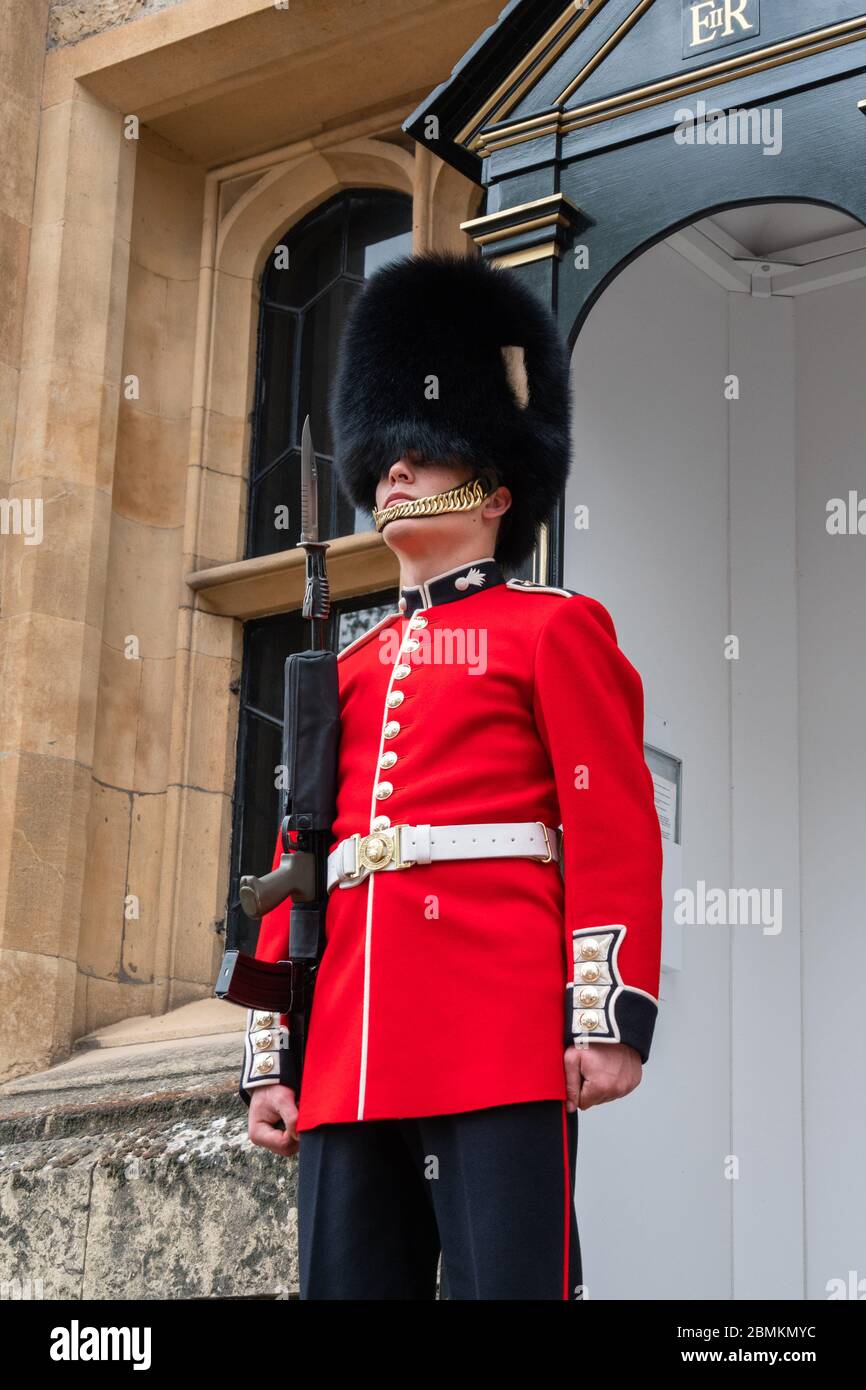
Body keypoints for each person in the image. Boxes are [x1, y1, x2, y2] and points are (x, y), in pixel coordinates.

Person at [237, 252, 663, 1300]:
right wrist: (271, 1053)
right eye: (386, 457)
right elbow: (302, 860)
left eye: (422, 457)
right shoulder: (343, 669)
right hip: (346, 1050)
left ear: (491, 488)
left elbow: (606, 825)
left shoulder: (552, 629)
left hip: (495, 1034)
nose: (394, 474)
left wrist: (603, 1014)